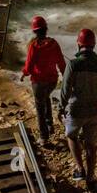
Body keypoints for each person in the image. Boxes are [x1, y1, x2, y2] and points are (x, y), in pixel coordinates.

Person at [58, 28, 97, 189]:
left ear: (78, 44)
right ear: (93, 45)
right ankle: (90, 178)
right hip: (95, 110)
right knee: (91, 144)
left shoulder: (73, 64)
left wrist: (61, 107)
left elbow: (65, 88)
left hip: (76, 110)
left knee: (71, 136)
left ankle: (79, 168)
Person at [21, 16, 66, 144]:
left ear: (34, 31)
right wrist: (66, 77)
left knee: (39, 107)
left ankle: (44, 137)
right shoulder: (54, 43)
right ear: (46, 29)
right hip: (52, 81)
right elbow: (61, 63)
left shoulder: (33, 46)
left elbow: (29, 67)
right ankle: (50, 124)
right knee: (46, 97)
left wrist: (24, 73)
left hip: (38, 82)